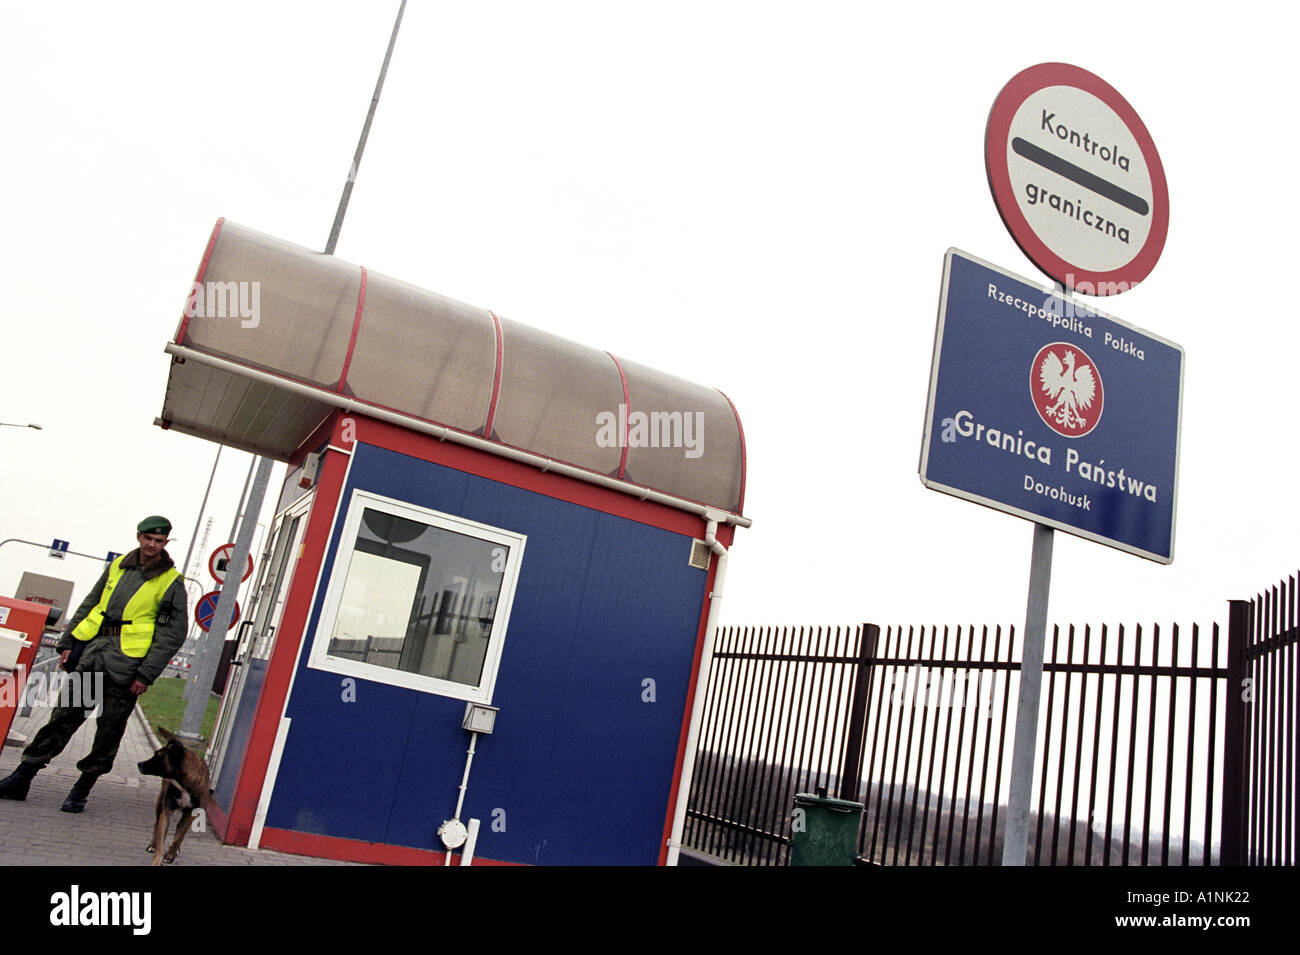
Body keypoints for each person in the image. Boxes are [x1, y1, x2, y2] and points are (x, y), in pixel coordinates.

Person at [0, 516, 188, 812]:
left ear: (165, 543)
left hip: (127, 669)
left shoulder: (171, 582)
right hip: (95, 656)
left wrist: (146, 673)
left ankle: (81, 789)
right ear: (139, 537)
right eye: (148, 538)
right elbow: (91, 602)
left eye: (159, 541)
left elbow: (172, 634)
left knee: (109, 732)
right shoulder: (117, 566)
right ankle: (22, 778)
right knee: (63, 718)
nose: (153, 545)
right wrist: (68, 643)